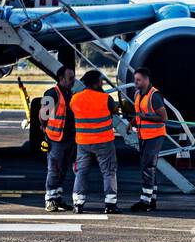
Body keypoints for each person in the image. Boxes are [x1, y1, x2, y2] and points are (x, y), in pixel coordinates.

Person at [69, 69, 120, 213]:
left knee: (81, 172)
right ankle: (110, 204)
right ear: (97, 82)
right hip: (104, 141)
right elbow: (115, 110)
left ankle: (78, 203)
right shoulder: (105, 98)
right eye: (101, 80)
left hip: (83, 142)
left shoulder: (75, 99)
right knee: (108, 172)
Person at [130, 66, 168, 211]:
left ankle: (145, 201)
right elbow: (139, 112)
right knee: (149, 168)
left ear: (146, 80)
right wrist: (132, 123)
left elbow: (163, 118)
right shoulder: (138, 94)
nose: (136, 83)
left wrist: (144, 117)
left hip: (155, 136)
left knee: (148, 167)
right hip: (143, 135)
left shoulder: (155, 96)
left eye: (138, 80)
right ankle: (151, 199)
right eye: (135, 80)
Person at [41, 65, 76, 212]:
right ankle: (50, 199)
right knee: (54, 170)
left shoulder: (70, 93)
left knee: (62, 170)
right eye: (70, 78)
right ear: (61, 79)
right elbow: (43, 116)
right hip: (56, 138)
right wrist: (45, 130)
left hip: (68, 138)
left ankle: (57, 198)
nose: (73, 81)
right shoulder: (51, 93)